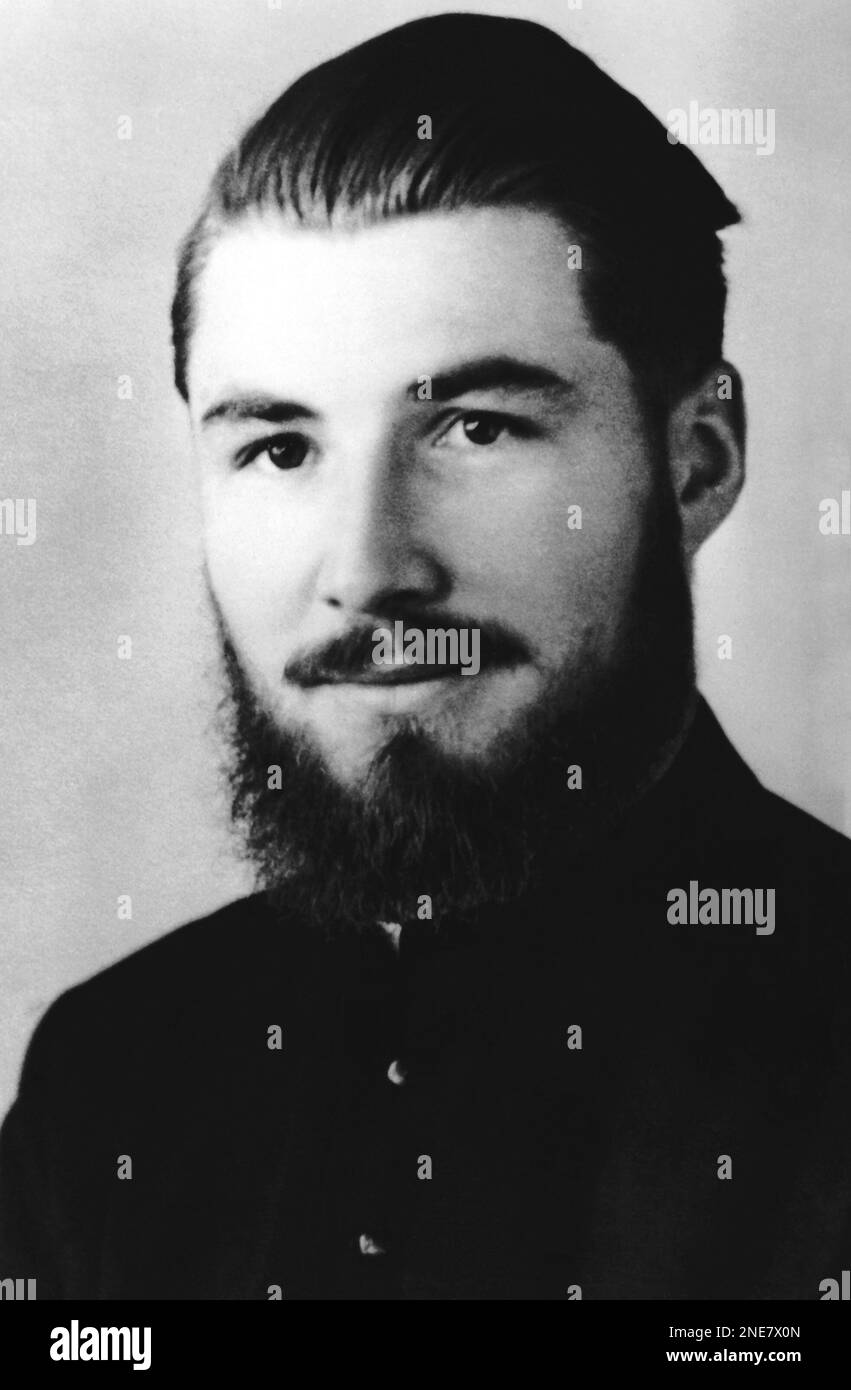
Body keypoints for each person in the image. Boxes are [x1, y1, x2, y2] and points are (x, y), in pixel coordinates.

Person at [1, 12, 849, 1301]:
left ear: (699, 461)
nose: (367, 568)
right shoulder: (113, 1082)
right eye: (280, 449)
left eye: (475, 428)